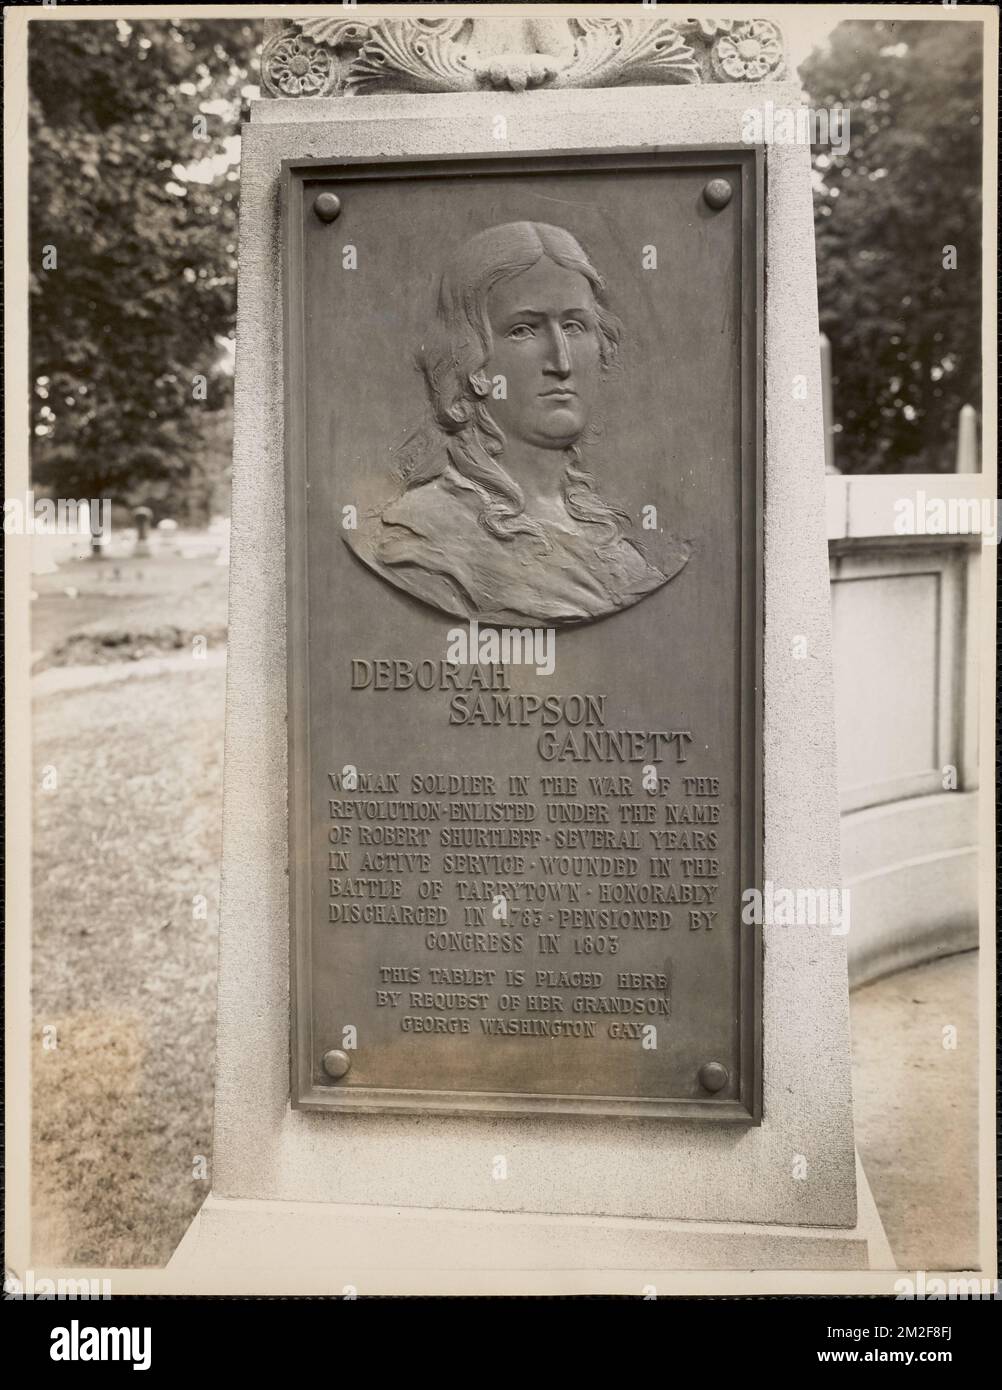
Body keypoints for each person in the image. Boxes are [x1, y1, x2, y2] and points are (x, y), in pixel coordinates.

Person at [344, 220, 688, 625]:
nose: (560, 362)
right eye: (524, 330)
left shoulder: (618, 553)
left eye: (575, 326)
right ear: (472, 361)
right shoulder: (427, 539)